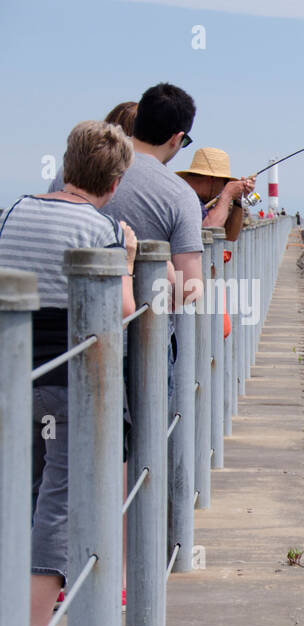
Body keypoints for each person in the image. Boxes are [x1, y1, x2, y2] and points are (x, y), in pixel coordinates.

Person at [0, 120, 137, 626]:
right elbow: (122, 312)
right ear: (116, 178)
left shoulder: (11, 212)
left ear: (65, 161)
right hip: (67, 382)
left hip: (14, 375)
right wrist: (126, 261)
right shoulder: (98, 228)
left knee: (21, 489)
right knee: (61, 494)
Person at [97, 83, 204, 408]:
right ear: (177, 138)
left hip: (69, 335)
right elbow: (189, 289)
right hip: (142, 344)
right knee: (142, 443)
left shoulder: (71, 173)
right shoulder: (178, 193)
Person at [174, 146, 254, 235]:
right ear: (213, 179)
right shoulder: (185, 198)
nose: (223, 188)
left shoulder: (200, 200)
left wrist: (238, 201)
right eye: (225, 182)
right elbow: (208, 229)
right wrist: (227, 194)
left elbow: (230, 235)